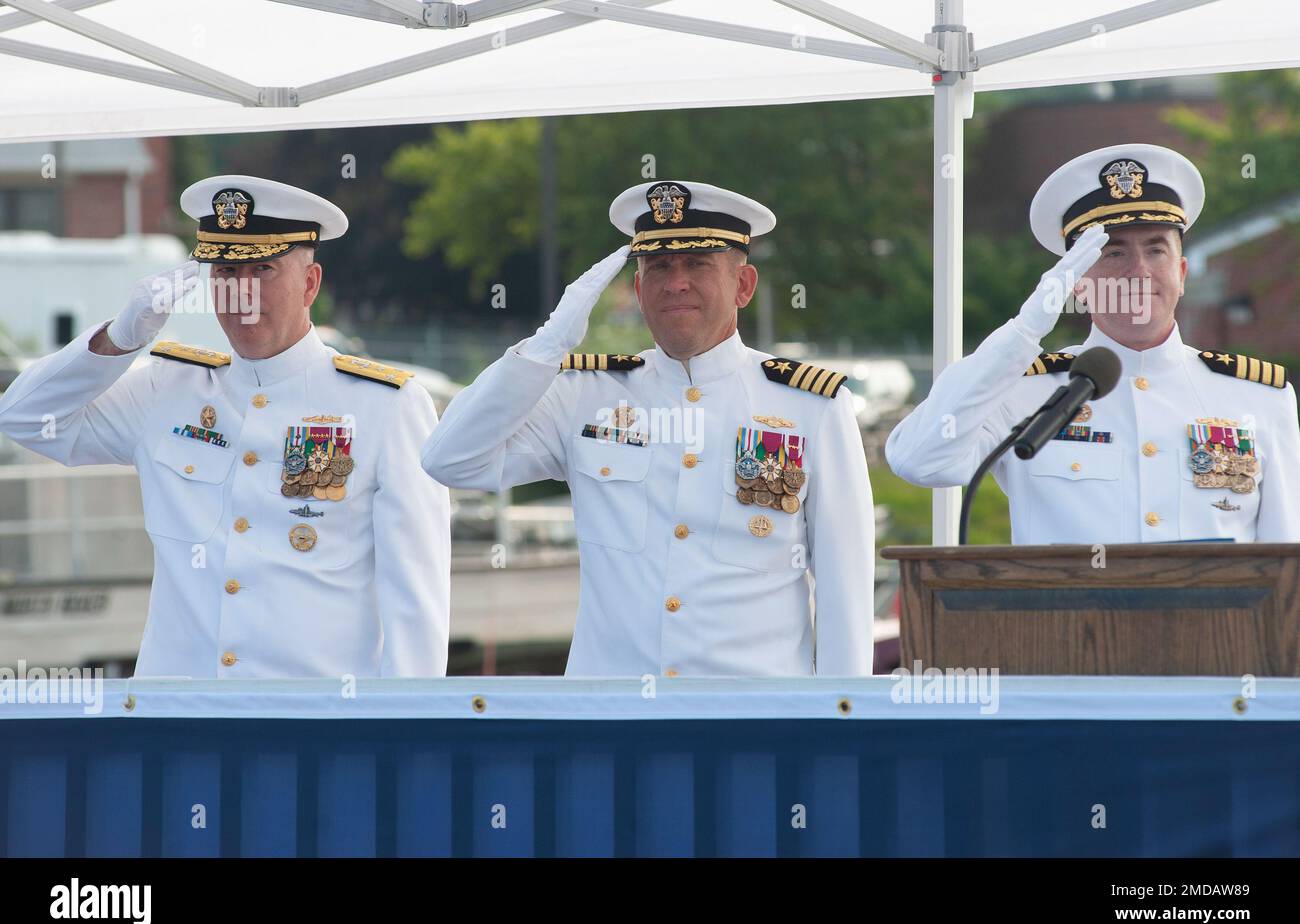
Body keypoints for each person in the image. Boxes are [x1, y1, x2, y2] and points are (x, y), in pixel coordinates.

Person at [0, 175, 451, 677]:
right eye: (226, 272)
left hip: (313, 732)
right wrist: (119, 339)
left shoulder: (386, 407)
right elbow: (23, 417)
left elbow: (415, 604)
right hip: (176, 727)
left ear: (309, 284)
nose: (243, 292)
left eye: (263, 269)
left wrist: (398, 738)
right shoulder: (167, 390)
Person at [421, 180, 875, 677]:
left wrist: (840, 723)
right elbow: (449, 459)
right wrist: (546, 347)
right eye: (658, 267)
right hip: (610, 725)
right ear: (638, 289)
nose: (675, 282)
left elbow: (843, 588)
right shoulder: (586, 395)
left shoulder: (812, 407)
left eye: (698, 264)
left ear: (743, 286)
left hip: (751, 724)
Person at [886, 144, 1300, 543]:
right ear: (1077, 283)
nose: (1138, 271)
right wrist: (1025, 330)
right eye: (1113, 254)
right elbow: (920, 460)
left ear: (1182, 273)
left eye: (1156, 250)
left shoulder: (1259, 396)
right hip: (1067, 618)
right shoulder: (1022, 390)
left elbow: (1286, 557)